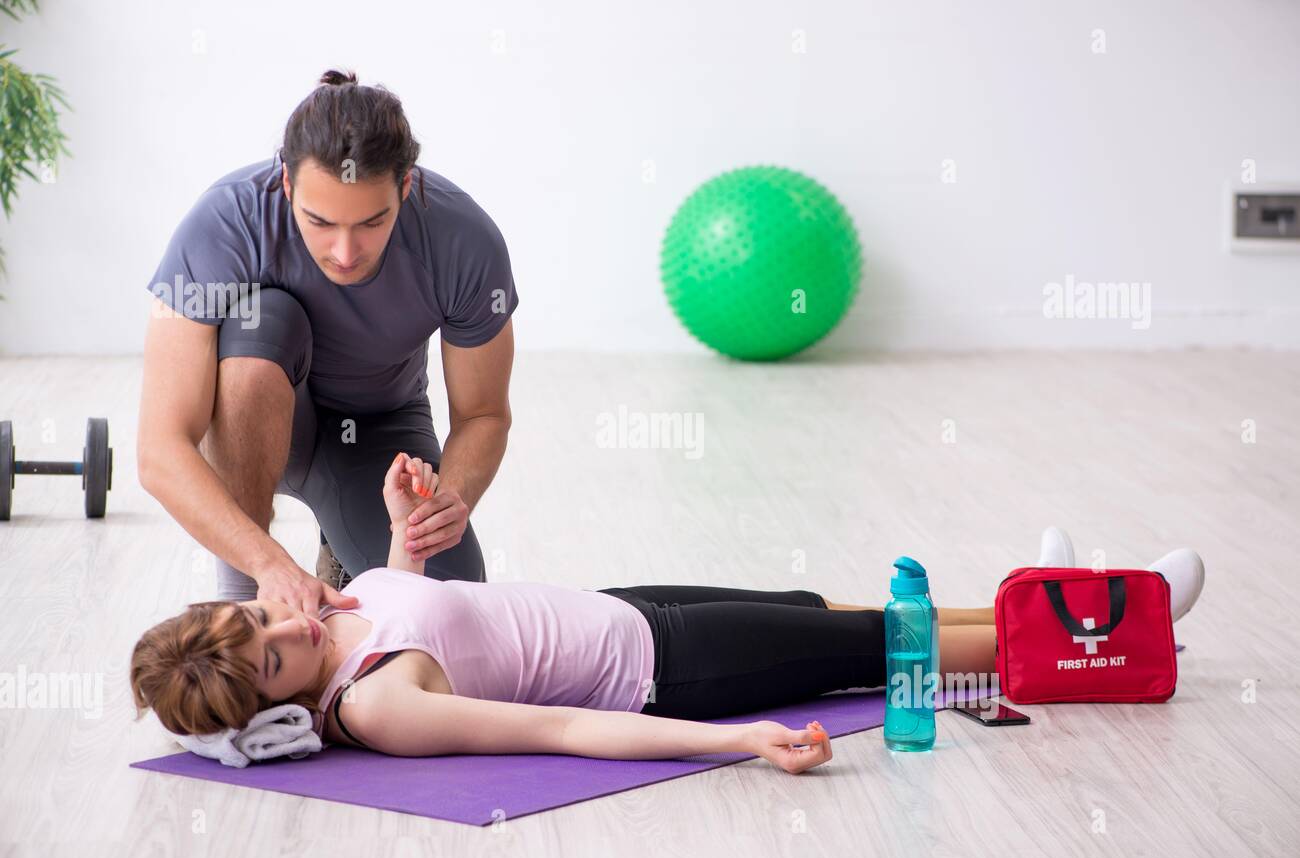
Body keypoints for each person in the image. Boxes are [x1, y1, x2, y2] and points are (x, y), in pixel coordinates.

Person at [130, 457, 1206, 776]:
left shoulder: (330, 619)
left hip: (627, 607)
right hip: (666, 674)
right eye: (275, 665)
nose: (293, 633)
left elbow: (435, 602)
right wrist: (736, 742)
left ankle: (1045, 598)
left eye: (263, 628)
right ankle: (1124, 623)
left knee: (839, 611)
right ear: (269, 721)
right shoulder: (378, 709)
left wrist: (403, 531)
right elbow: (562, 730)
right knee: (885, 645)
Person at [137, 68, 519, 620]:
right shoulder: (226, 221)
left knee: (446, 611)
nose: (344, 251)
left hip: (379, 433)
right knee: (264, 318)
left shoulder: (463, 239)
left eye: (371, 222)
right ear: (288, 185)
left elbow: (483, 414)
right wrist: (268, 566)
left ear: (406, 186)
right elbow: (160, 449)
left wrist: (444, 501)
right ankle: (242, 598)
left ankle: (342, 548)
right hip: (258, 411)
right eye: (319, 221)